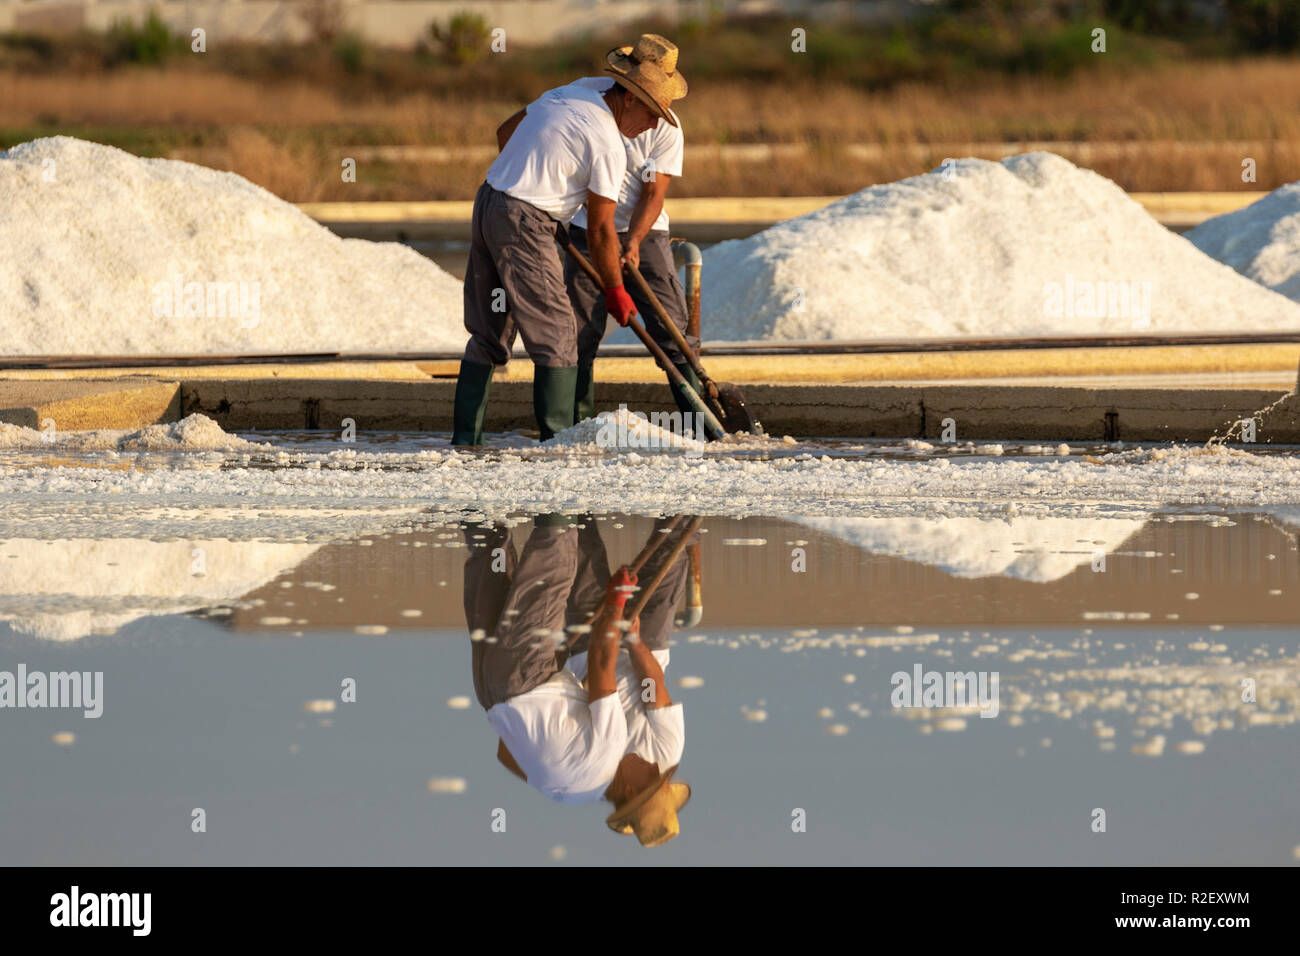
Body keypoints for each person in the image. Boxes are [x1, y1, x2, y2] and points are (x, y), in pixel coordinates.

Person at [451, 36, 688, 445]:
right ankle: (559, 445)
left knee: (489, 332)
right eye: (652, 114)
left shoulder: (570, 93)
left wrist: (539, 178)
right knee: (561, 333)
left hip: (490, 199)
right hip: (525, 221)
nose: (653, 125)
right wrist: (615, 291)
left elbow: (505, 131)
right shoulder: (609, 144)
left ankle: (465, 441)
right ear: (630, 98)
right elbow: (599, 231)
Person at [460, 515, 695, 846]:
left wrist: (615, 604)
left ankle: (560, 485)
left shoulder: (608, 753)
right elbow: (505, 753)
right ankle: (479, 491)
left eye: (657, 780)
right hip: (493, 691)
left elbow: (601, 662)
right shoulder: (568, 794)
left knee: (556, 559)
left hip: (532, 673)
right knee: (490, 565)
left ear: (631, 789)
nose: (662, 771)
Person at [563, 35, 702, 425]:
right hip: (588, 232)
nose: (657, 114)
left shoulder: (666, 129)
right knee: (579, 335)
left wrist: (635, 241)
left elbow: (653, 193)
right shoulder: (586, 99)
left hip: (645, 234)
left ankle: (700, 423)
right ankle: (574, 426)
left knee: (673, 335)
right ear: (629, 90)